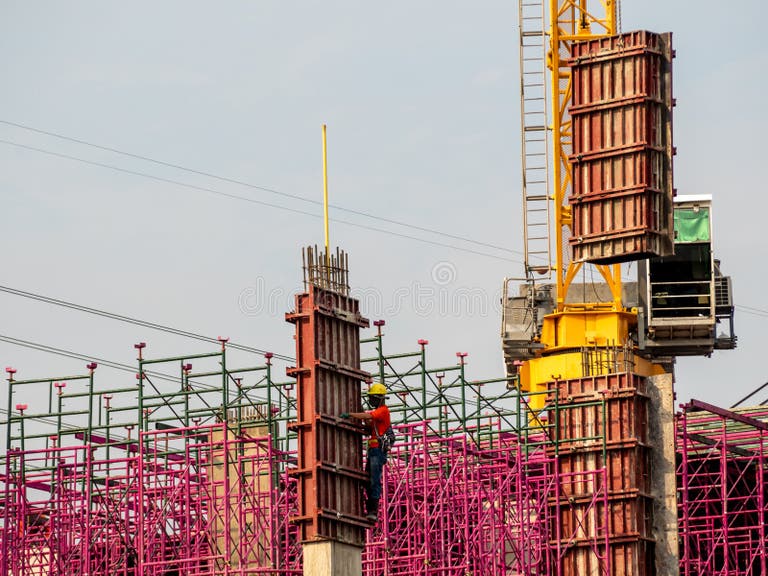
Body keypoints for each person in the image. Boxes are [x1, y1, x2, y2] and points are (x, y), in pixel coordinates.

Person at [340, 383, 391, 522]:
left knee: (374, 480)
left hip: (377, 451)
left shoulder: (383, 411)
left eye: (372, 398)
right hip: (373, 450)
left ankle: (373, 510)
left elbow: (368, 416)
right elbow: (369, 425)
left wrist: (351, 414)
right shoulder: (378, 414)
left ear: (380, 398)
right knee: (368, 480)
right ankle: (369, 508)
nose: (371, 401)